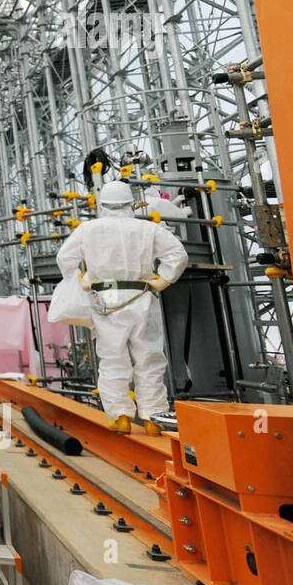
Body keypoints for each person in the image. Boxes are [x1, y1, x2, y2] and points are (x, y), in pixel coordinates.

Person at [56, 180, 187, 435]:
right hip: (142, 296)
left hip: (105, 299)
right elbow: (178, 255)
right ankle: (153, 417)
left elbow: (65, 258)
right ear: (131, 203)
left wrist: (81, 279)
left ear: (101, 204)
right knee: (149, 357)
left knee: (113, 358)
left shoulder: (88, 229)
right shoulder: (148, 228)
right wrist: (163, 279)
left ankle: (121, 416)